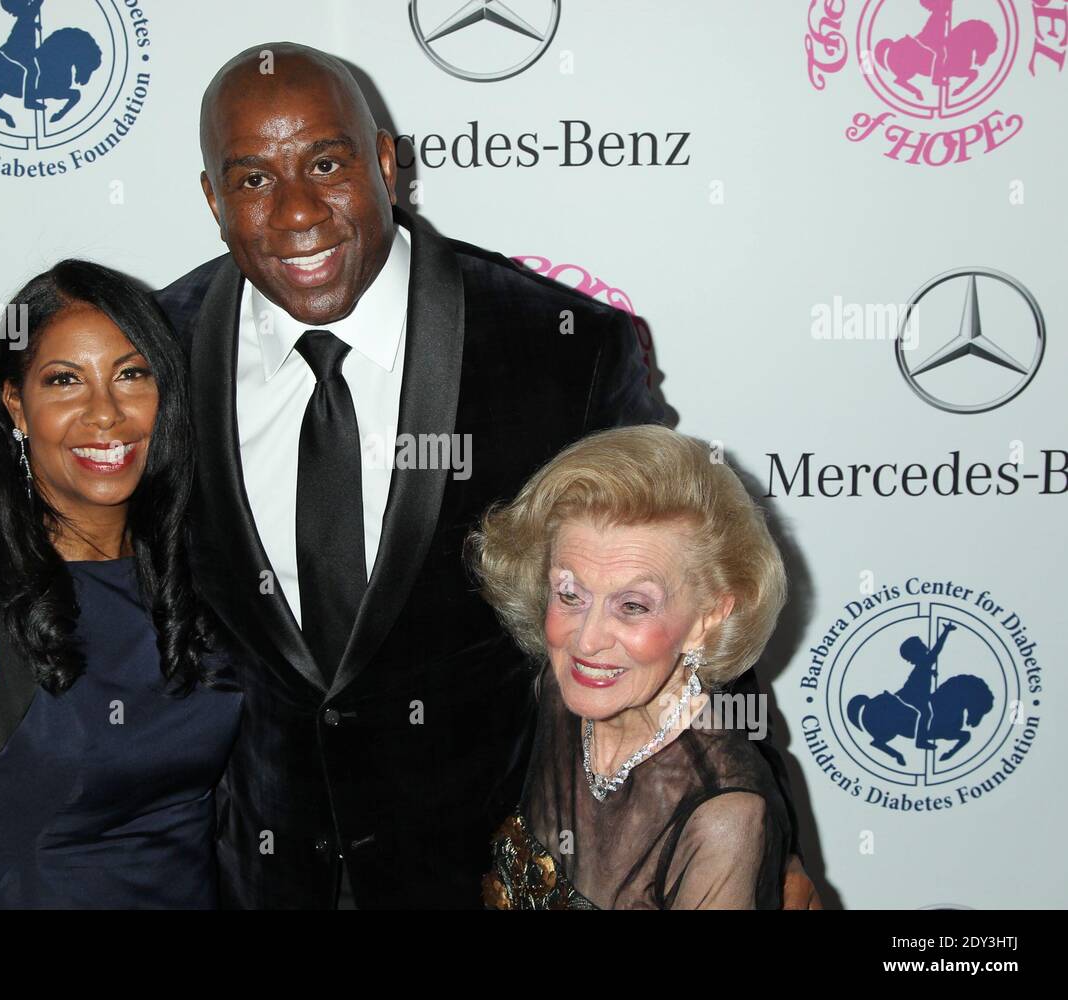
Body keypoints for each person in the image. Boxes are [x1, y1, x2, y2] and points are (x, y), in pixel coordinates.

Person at [156, 41, 817, 908]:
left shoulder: (557, 348)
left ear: (388, 162)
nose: (297, 212)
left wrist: (773, 838)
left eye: (326, 162)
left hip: (494, 875)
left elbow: (682, 582)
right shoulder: (152, 352)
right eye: (252, 180)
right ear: (212, 198)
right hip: (256, 879)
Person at [0, 260, 241, 908]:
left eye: (131, 374)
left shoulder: (198, 575)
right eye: (65, 380)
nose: (106, 414)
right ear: (15, 402)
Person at [471, 425, 791, 908]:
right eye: (570, 594)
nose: (588, 639)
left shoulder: (721, 819)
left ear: (707, 620)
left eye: (634, 606)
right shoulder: (560, 692)